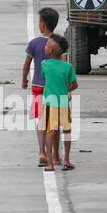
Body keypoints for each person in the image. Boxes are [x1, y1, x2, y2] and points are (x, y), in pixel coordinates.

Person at [21, 7, 60, 167]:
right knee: (55, 122)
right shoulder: (60, 43)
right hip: (56, 88)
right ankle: (56, 156)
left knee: (41, 121)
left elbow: (27, 64)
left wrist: (24, 79)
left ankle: (42, 152)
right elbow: (64, 63)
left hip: (38, 86)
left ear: (42, 24)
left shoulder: (34, 43)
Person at [41, 34, 76, 171]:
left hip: (51, 102)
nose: (45, 47)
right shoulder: (67, 67)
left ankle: (50, 163)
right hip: (63, 102)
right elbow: (74, 84)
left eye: (47, 45)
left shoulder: (45, 64)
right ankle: (66, 159)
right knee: (67, 131)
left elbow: (45, 78)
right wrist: (67, 89)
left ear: (50, 51)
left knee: (50, 131)